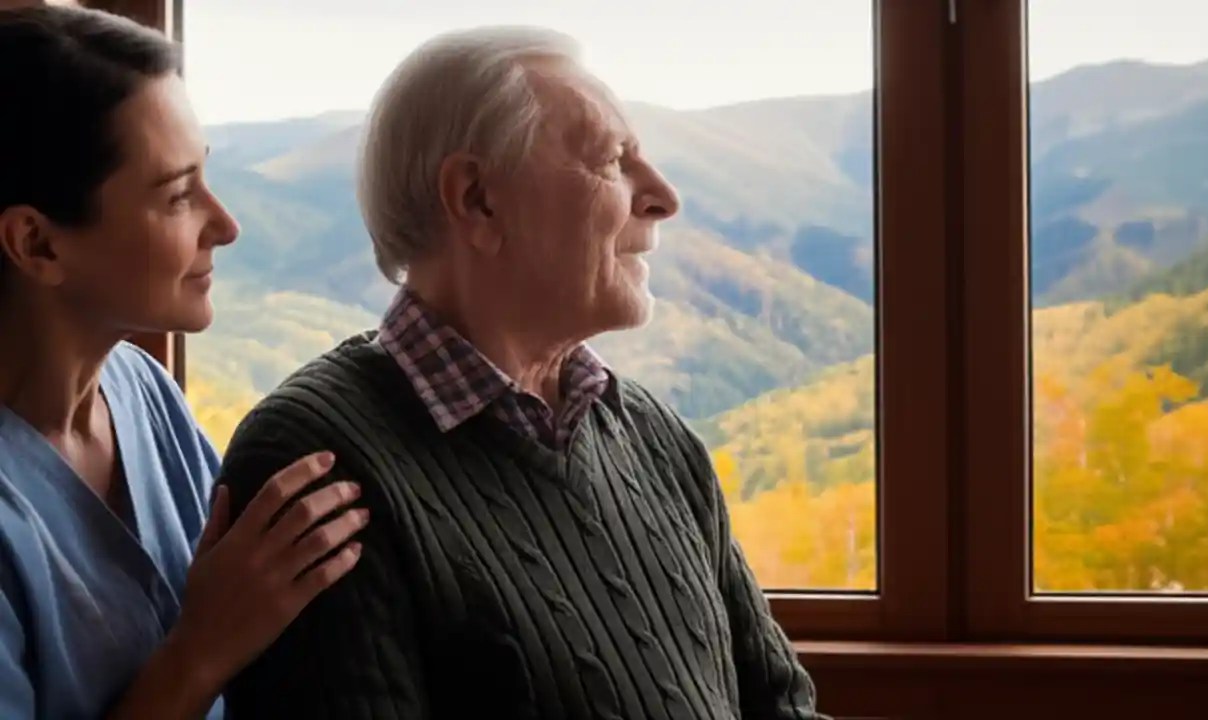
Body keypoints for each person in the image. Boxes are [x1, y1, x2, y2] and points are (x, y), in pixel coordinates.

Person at [216, 25, 829, 719]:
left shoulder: (656, 438)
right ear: (477, 199)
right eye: (612, 161)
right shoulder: (318, 463)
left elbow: (782, 707)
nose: (661, 197)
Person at [0, 6, 369, 718]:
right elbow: (219, 638)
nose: (225, 225)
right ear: (37, 244)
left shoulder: (142, 392)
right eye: (177, 196)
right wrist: (199, 651)